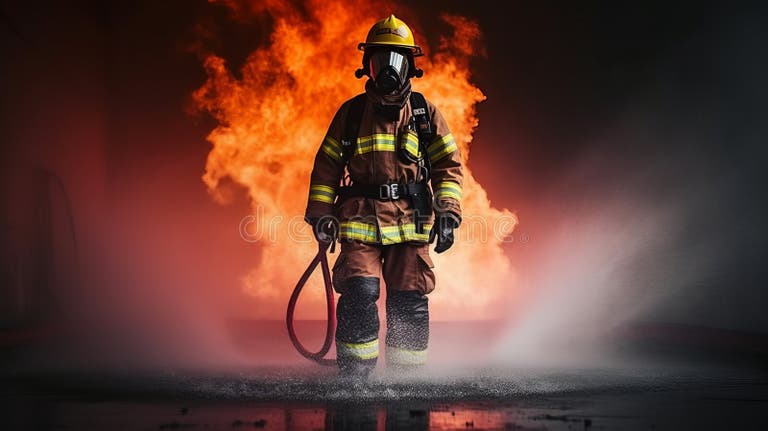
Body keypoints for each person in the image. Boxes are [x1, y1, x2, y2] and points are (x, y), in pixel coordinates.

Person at [305, 15, 463, 377]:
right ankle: (354, 379)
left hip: (410, 224)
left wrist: (449, 213)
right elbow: (327, 166)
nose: (388, 70)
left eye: (396, 60)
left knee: (409, 301)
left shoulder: (424, 113)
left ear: (410, 66)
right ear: (368, 66)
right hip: (360, 222)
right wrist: (320, 213)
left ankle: (406, 382)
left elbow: (448, 166)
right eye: (381, 61)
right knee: (359, 296)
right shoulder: (351, 114)